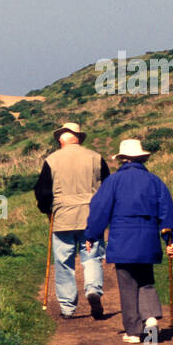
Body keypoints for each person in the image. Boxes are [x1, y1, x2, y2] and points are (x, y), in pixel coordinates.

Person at [84, 139, 173, 343]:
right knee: (145, 280)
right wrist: (170, 238)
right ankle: (151, 323)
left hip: (122, 240)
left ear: (122, 159)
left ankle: (135, 332)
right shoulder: (155, 181)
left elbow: (99, 210)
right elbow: (167, 213)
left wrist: (91, 234)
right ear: (142, 158)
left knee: (127, 285)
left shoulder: (113, 182)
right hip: (148, 240)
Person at [34, 122, 110, 318]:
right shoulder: (96, 157)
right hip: (90, 217)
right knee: (91, 256)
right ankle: (93, 289)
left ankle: (67, 308)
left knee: (63, 262)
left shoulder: (51, 160)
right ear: (79, 138)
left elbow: (42, 192)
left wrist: (47, 211)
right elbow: (108, 188)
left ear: (61, 139)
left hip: (62, 217)